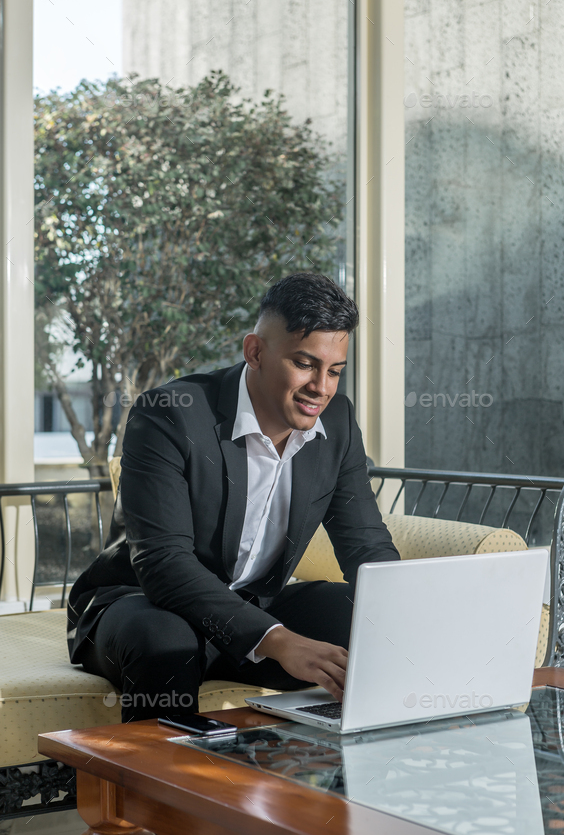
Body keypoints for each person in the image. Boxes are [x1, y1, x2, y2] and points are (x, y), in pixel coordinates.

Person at [67, 272, 400, 721]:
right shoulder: (169, 415)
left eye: (335, 371)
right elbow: (163, 565)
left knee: (367, 621)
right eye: (305, 364)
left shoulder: (336, 421)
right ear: (255, 352)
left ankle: (335, 776)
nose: (321, 387)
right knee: (166, 641)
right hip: (143, 602)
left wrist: (408, 623)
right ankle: (163, 787)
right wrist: (279, 640)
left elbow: (365, 544)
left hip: (253, 605)